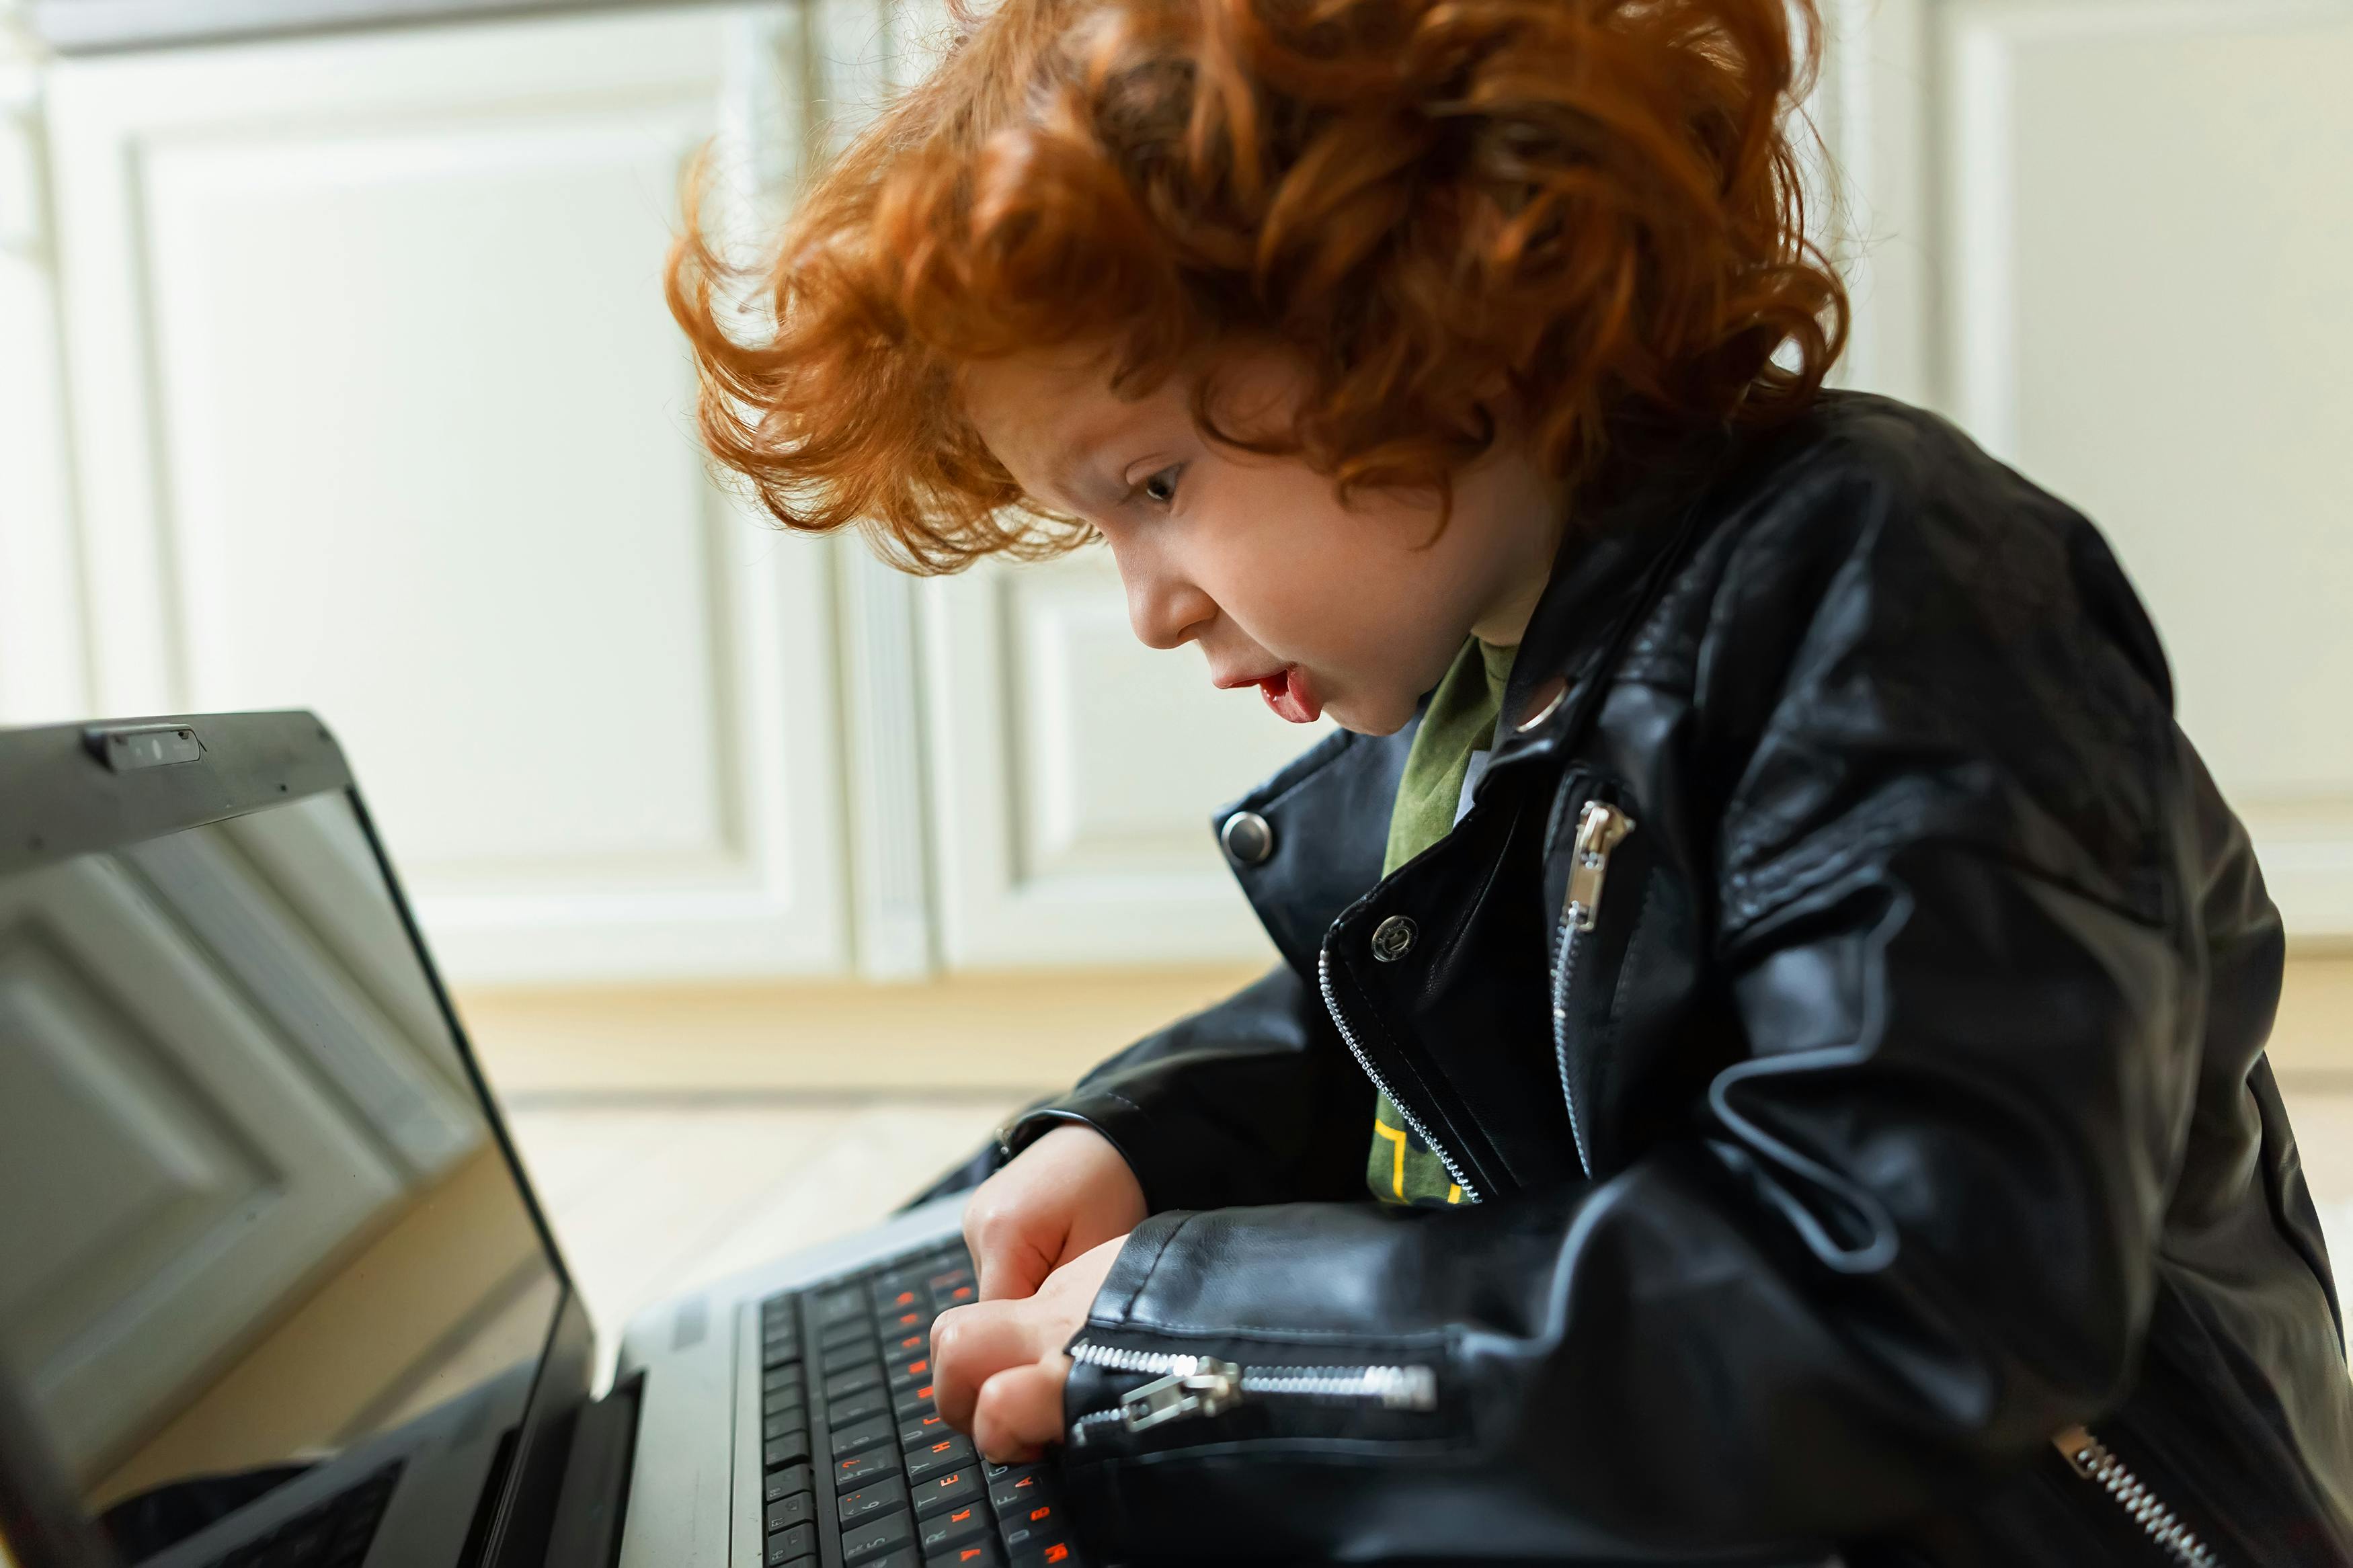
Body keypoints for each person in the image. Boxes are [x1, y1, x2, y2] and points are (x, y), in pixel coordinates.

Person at [665, 0, 2353, 1559]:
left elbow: (1909, 1289)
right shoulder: (1489, 669)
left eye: (1155, 484)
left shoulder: (1894, 597)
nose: (1149, 606)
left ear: (1430, 307)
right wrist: (1138, 1141)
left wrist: (1211, 1324)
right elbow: (1427, 1032)